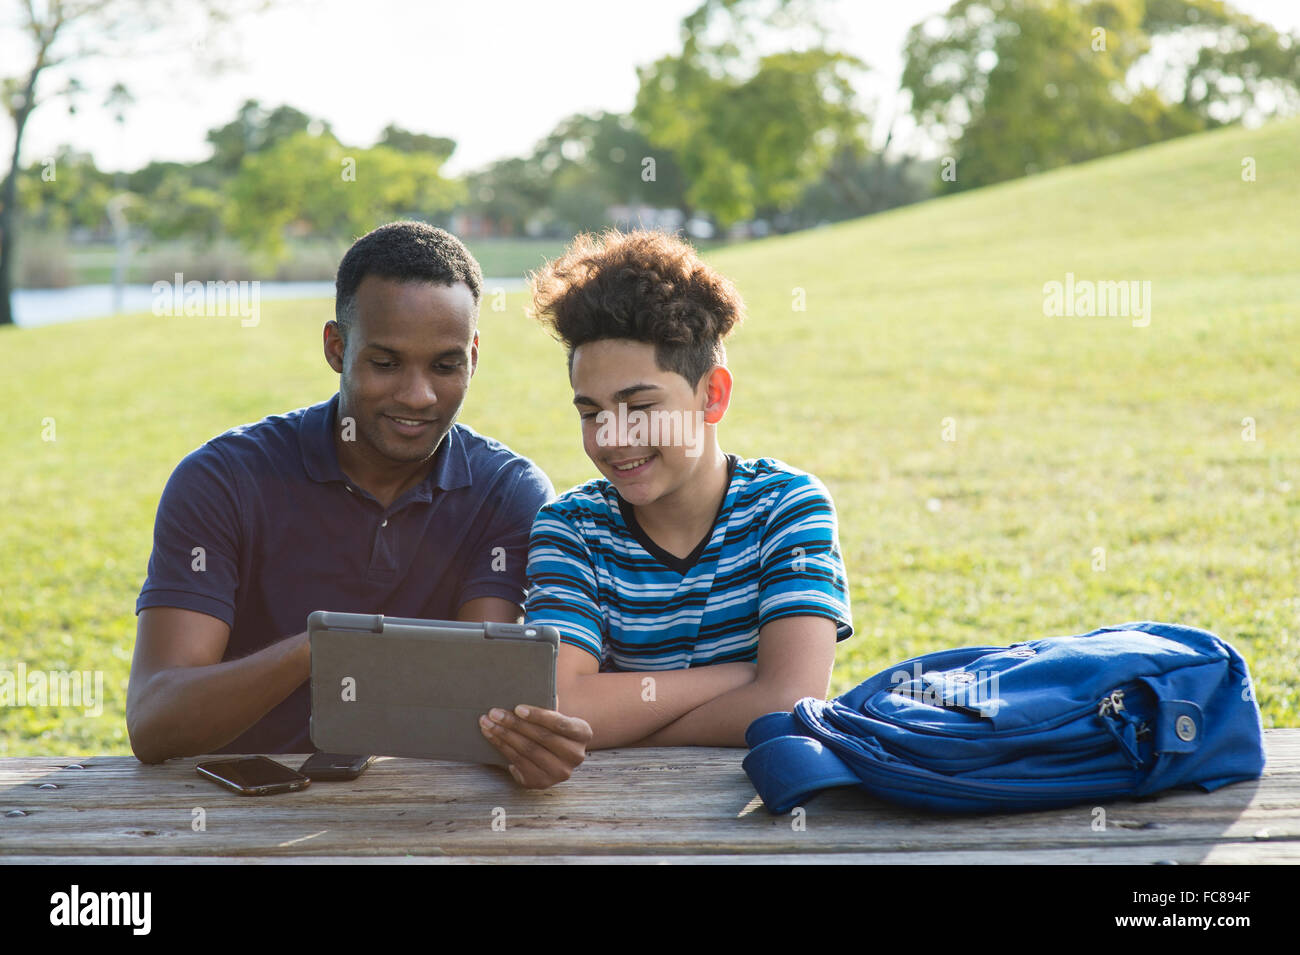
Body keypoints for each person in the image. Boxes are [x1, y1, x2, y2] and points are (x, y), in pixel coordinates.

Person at [127, 221, 592, 788]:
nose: (418, 396)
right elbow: (154, 723)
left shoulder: (507, 491)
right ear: (336, 348)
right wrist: (323, 648)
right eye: (386, 363)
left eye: (445, 366)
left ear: (473, 356)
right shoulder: (221, 480)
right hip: (240, 815)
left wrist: (527, 744)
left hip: (418, 807)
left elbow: (480, 696)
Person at [524, 229, 854, 748]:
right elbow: (561, 706)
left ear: (713, 395)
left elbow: (788, 706)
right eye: (591, 413)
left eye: (642, 407)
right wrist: (742, 677)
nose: (613, 438)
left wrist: (624, 723)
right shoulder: (572, 529)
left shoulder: (786, 507)